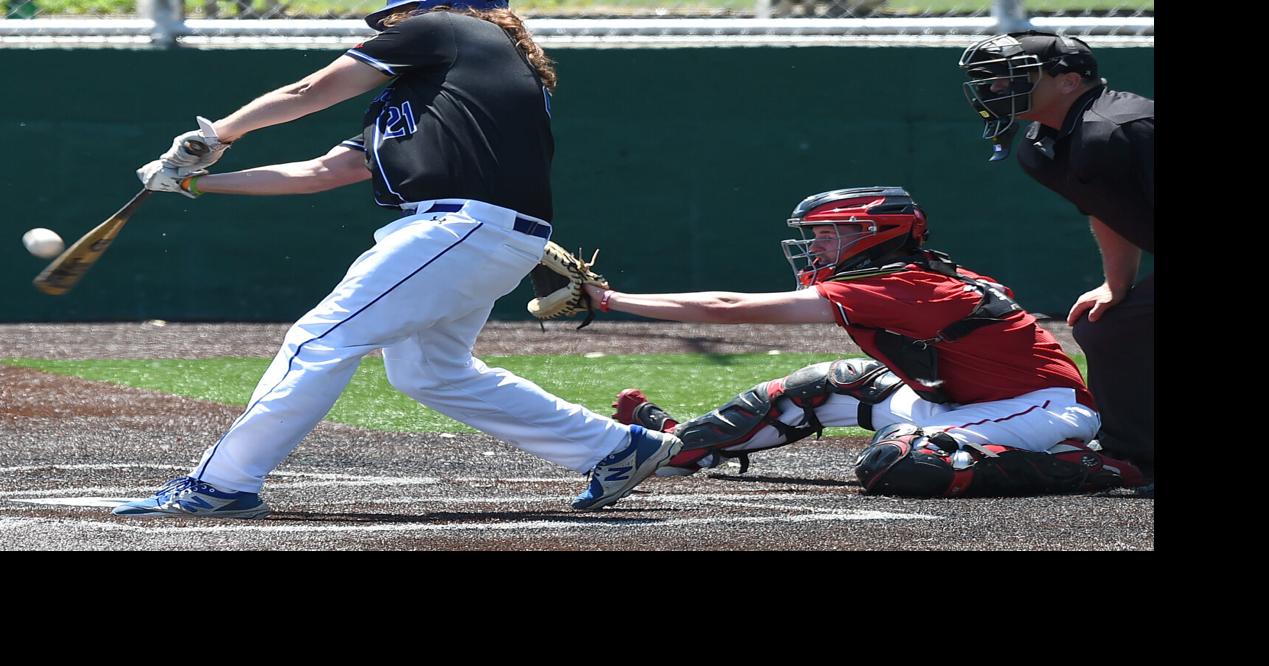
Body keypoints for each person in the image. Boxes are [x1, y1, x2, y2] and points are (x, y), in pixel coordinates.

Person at [112, 0, 682, 518]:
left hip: (460, 227)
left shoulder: (452, 28)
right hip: (469, 234)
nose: (393, 23)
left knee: (319, 341)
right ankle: (617, 447)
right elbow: (324, 173)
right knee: (428, 371)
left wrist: (218, 136)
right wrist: (196, 185)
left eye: (404, 12)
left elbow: (309, 90)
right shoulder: (433, 92)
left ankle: (221, 485)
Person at [583, 186, 1147, 497]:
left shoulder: (904, 284)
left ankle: (1097, 470)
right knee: (821, 384)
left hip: (1041, 410)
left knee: (902, 463)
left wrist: (610, 301)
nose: (818, 246)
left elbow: (725, 307)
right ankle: (681, 445)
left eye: (831, 233)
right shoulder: (903, 274)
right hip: (967, 399)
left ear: (875, 236)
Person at [958, 31, 1154, 492]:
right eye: (992, 81)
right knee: (1107, 324)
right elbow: (1109, 209)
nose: (996, 89)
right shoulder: (1043, 145)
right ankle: (1136, 455)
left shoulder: (1118, 128)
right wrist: (1115, 285)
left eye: (1012, 77)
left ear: (1068, 81)